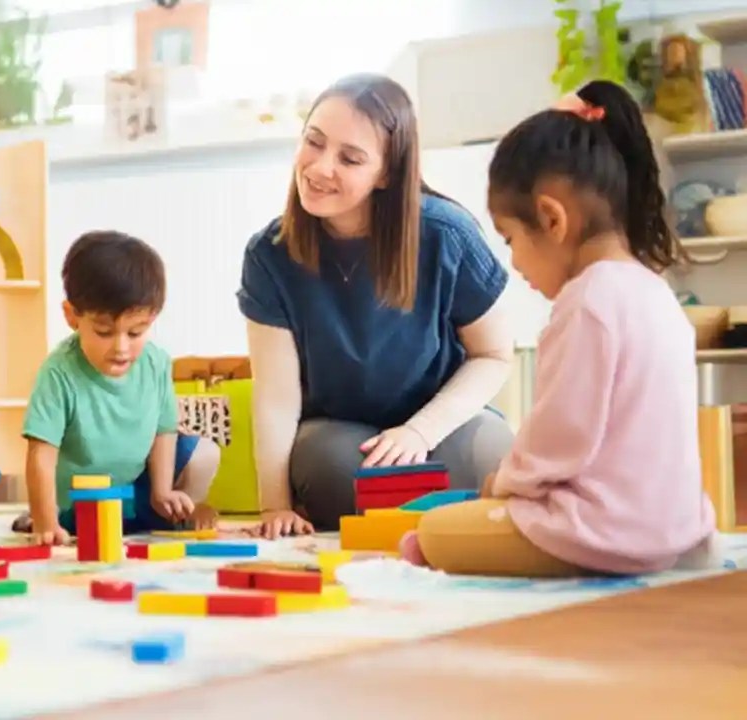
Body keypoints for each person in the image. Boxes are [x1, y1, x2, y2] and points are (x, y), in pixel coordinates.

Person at [399, 80, 719, 577]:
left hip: (602, 534)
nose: (515, 263)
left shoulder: (587, 302)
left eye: (510, 239)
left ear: (551, 220)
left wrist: (503, 481)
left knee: (435, 532)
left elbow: (559, 440)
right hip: (676, 529)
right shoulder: (654, 293)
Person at [238, 73, 516, 538]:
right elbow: (276, 397)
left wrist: (419, 433)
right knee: (320, 462)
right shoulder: (269, 255)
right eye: (313, 142)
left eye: (350, 158)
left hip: (438, 426)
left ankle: (418, 516)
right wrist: (275, 508)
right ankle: (431, 517)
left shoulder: (446, 234)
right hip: (344, 439)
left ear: (387, 172)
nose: (320, 167)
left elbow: (493, 355)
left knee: (492, 450)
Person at [18, 231, 221, 544]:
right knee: (72, 525)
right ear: (72, 316)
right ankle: (42, 516)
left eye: (136, 332)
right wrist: (46, 521)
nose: (121, 347)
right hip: (78, 503)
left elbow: (164, 430)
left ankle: (170, 515)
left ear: (152, 318)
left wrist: (162, 489)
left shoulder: (156, 363)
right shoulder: (58, 372)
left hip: (133, 490)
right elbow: (40, 455)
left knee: (205, 452)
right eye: (103, 332)